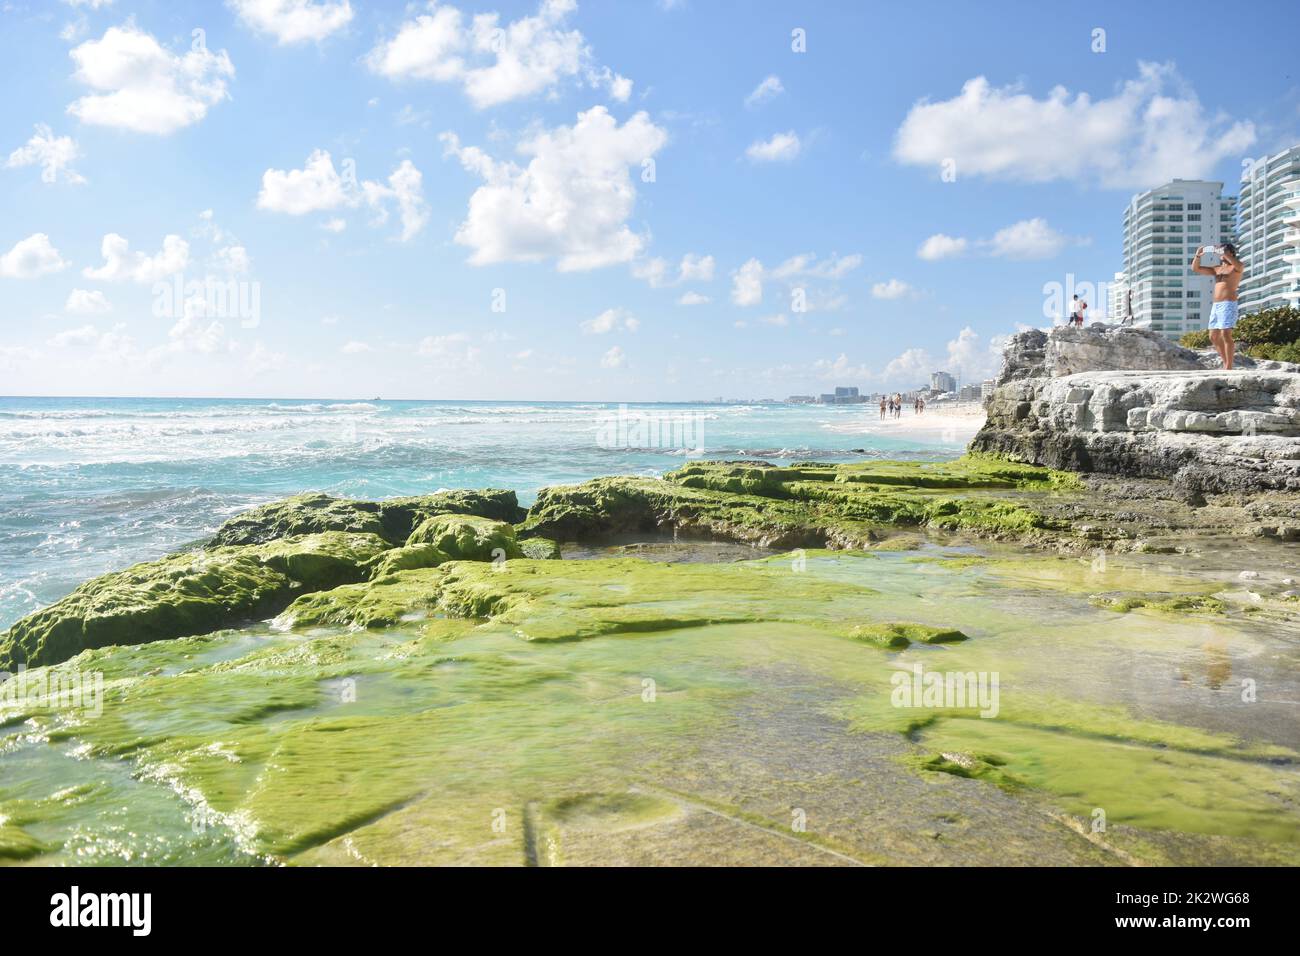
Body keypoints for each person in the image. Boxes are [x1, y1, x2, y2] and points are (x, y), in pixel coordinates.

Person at [1192, 243, 1244, 370]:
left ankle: (1229, 367)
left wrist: (1225, 253)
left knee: (1226, 334)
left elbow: (1240, 266)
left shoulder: (1235, 267)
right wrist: (1198, 255)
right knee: (1213, 336)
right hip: (1216, 305)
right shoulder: (1217, 269)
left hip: (1228, 304)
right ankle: (1226, 363)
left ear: (1230, 252)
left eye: (1223, 249)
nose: (1219, 252)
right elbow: (1196, 268)